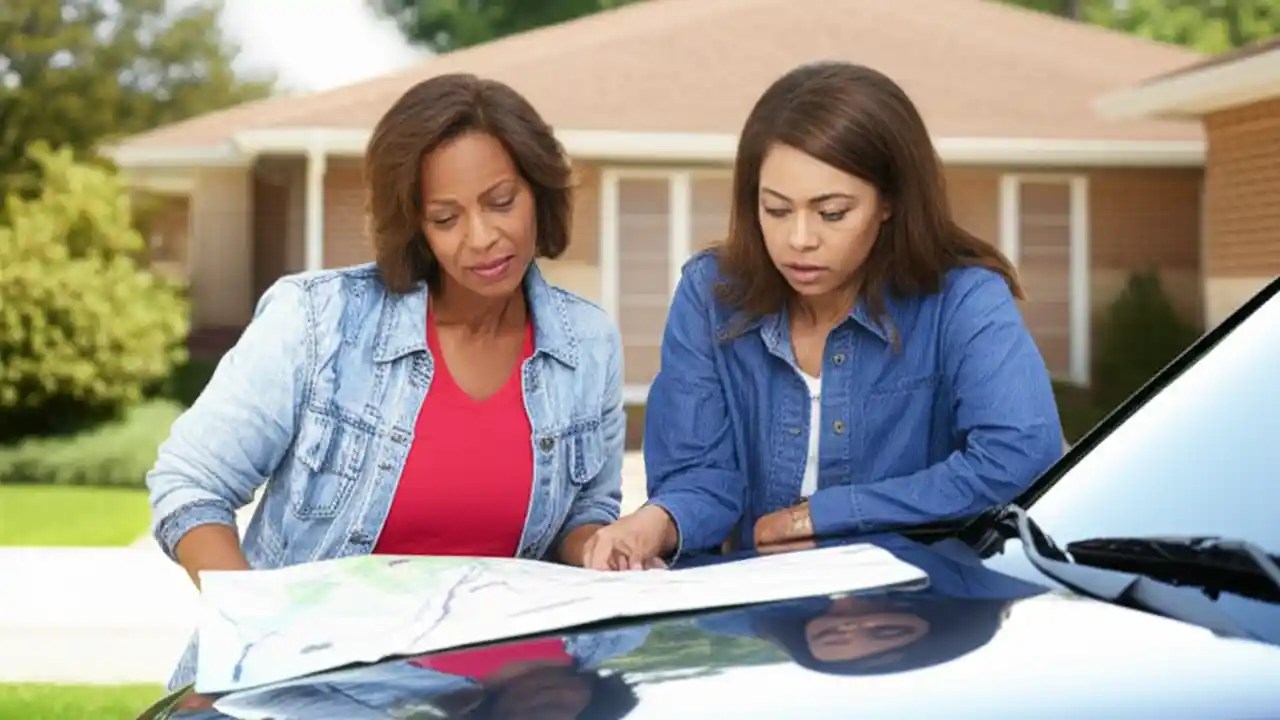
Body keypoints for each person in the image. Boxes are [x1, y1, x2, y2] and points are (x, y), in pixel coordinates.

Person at [146, 73, 626, 690]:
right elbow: (190, 484)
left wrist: (601, 548)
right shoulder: (319, 321)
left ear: (539, 192)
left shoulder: (586, 343)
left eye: (501, 202)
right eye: (446, 218)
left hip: (496, 696)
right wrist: (258, 629)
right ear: (416, 228)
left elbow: (583, 513)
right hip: (306, 691)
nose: (481, 238)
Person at [582, 61, 1062, 570]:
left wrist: (826, 515)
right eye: (776, 209)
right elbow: (699, 476)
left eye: (832, 213)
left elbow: (1017, 457)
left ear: (890, 201)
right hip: (756, 617)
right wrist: (654, 523)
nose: (800, 239)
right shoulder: (710, 294)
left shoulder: (963, 299)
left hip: (922, 611)